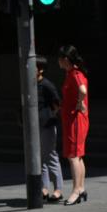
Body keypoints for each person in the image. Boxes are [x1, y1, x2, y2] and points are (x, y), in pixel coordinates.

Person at [57, 45, 89, 206]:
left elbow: (82, 90)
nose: (58, 61)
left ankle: (76, 190)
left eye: (60, 58)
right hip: (73, 120)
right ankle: (81, 188)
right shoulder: (72, 73)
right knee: (78, 155)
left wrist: (79, 103)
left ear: (65, 60)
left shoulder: (75, 74)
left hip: (75, 121)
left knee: (73, 156)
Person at [36, 56, 64, 202]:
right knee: (40, 157)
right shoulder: (31, 85)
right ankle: (44, 188)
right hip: (36, 125)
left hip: (47, 124)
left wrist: (50, 115)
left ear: (40, 69)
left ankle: (58, 189)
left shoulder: (47, 85)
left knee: (50, 155)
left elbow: (57, 103)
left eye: (33, 67)